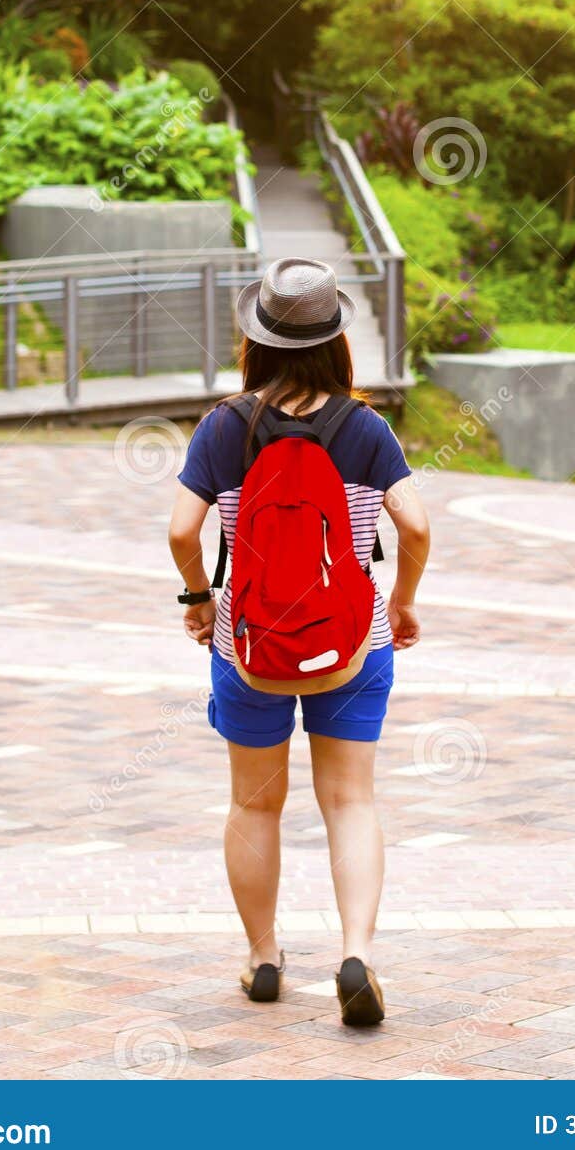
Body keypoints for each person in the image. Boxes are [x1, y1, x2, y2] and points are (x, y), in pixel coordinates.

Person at [168, 257, 430, 1027]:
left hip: (247, 648)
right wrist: (403, 601)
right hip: (351, 642)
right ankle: (355, 952)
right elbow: (414, 524)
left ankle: (262, 958)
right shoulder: (364, 428)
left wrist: (197, 599)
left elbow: (182, 528)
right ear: (336, 340)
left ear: (257, 341)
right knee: (350, 801)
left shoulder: (224, 427)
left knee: (255, 806)